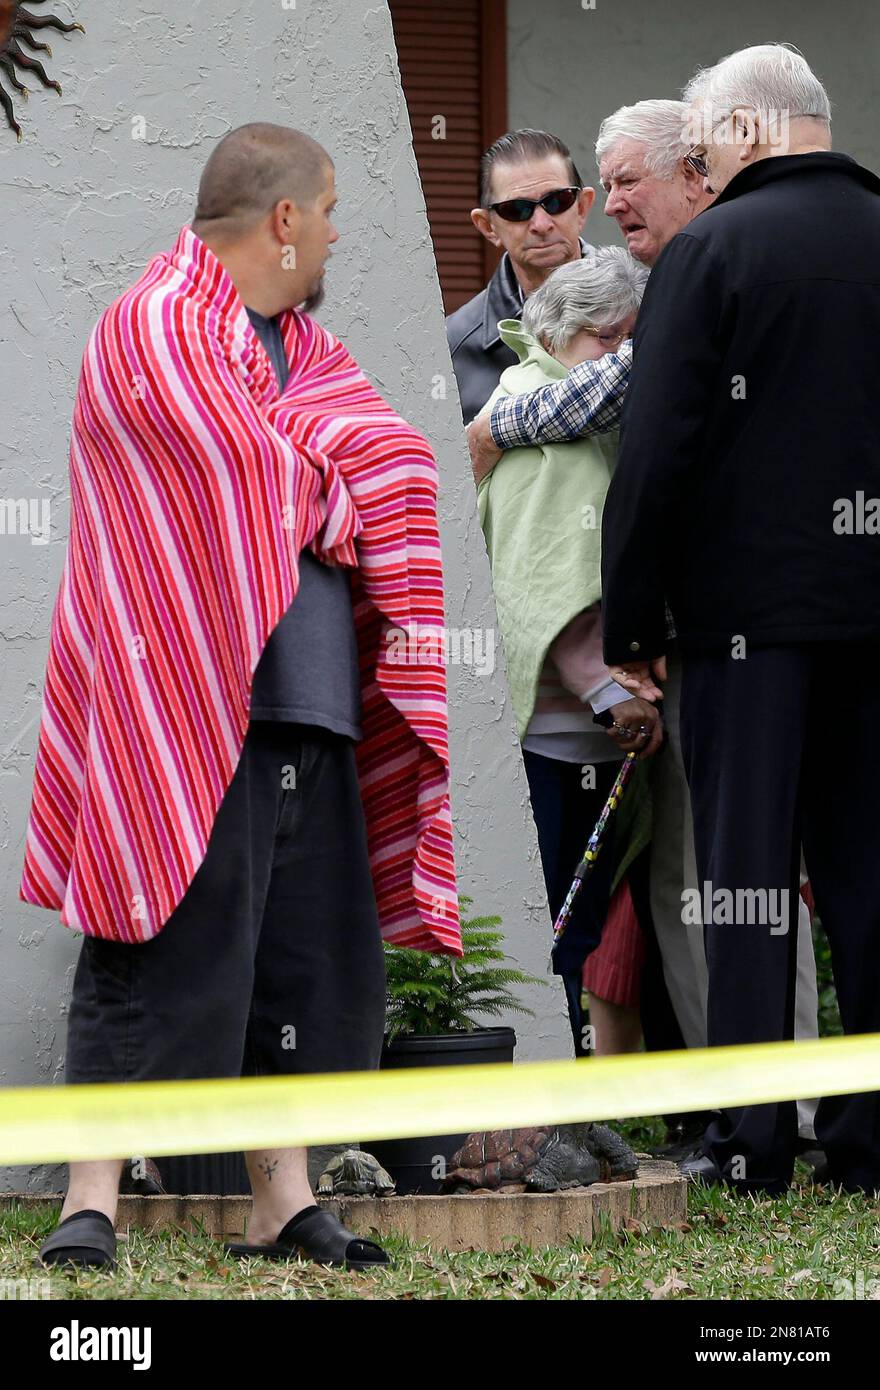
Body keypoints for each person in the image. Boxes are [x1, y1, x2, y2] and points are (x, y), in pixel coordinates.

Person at [21, 123, 459, 1271]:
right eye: (325, 216)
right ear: (282, 219)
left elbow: (395, 458)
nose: (330, 240)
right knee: (141, 938)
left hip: (306, 700)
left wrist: (319, 461)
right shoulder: (150, 324)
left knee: (296, 963)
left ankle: (281, 1201)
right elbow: (239, 471)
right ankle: (91, 1202)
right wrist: (322, 472)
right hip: (176, 704)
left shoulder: (307, 352)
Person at [465, 97, 821, 1154]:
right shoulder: (520, 333)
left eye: (607, 186)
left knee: (740, 882)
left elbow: (612, 386)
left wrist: (495, 423)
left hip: (724, 642)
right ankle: (723, 1114)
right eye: (595, 188)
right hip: (631, 681)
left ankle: (774, 1111)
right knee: (662, 904)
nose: (591, 209)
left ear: (695, 178)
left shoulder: (700, 280)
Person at [601, 44, 880, 1195]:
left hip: (740, 630)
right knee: (870, 883)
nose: (700, 167)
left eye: (706, 146)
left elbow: (658, 450)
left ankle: (750, 1143)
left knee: (747, 885)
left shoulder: (712, 247)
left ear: (749, 130)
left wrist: (632, 618)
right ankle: (867, 1142)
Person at [475, 249, 659, 1057]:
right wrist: (607, 693)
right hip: (563, 734)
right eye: (608, 342)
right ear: (566, 333)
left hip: (581, 732)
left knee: (576, 925)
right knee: (557, 923)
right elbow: (541, 583)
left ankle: (569, 1095)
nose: (621, 362)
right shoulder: (551, 428)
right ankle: (548, 1095)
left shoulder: (537, 406)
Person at [446, 128, 596, 423]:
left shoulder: (643, 308)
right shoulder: (452, 347)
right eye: (517, 209)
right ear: (487, 226)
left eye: (557, 201)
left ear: (582, 207)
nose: (541, 224)